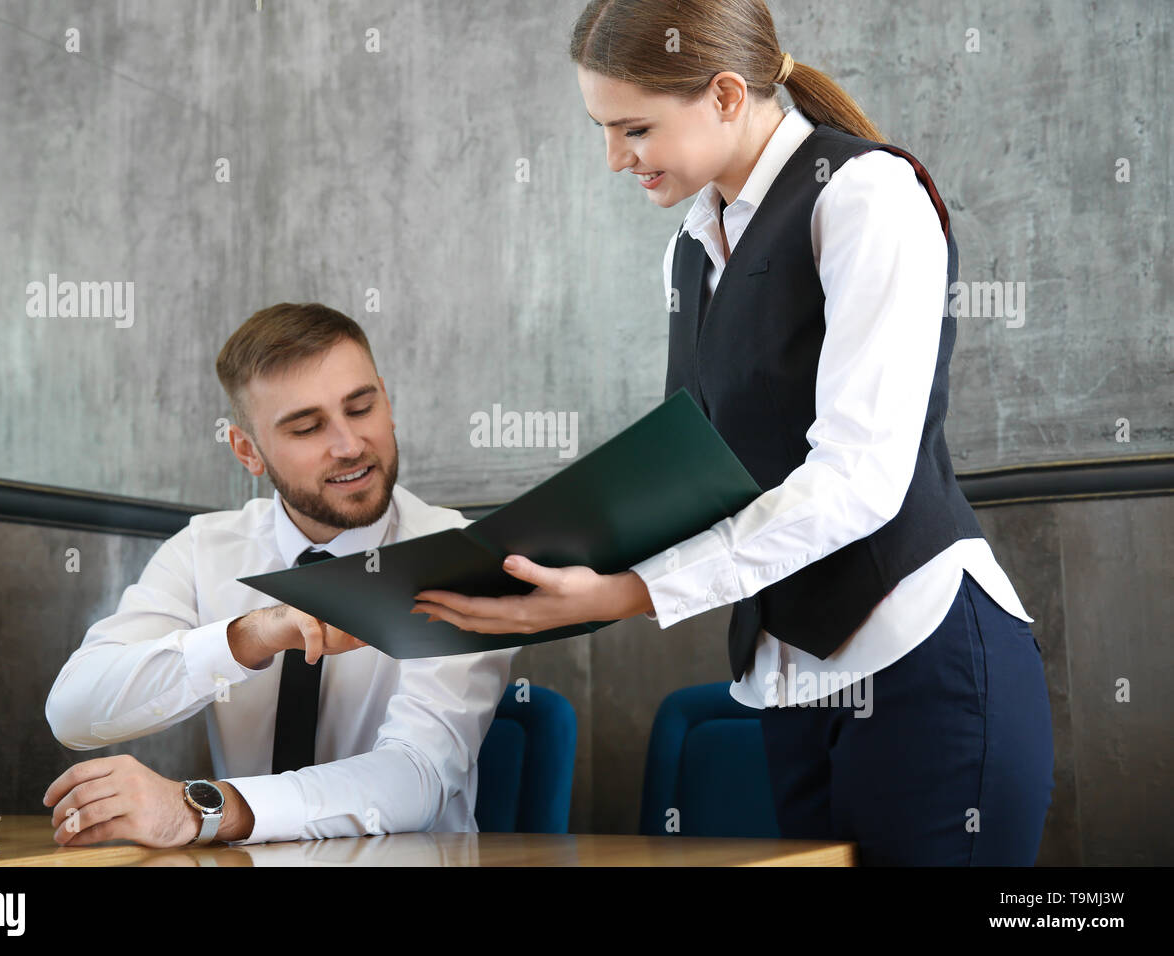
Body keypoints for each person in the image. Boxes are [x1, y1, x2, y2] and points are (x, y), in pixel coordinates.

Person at [410, 0, 1054, 866]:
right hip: (788, 683)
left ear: (722, 94)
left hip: (924, 664)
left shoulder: (866, 194)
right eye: (602, 128)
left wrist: (632, 593)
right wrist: (507, 574)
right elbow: (706, 472)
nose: (614, 158)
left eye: (634, 127)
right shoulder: (692, 244)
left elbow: (860, 477)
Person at [44, 302, 516, 848]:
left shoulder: (458, 555)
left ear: (386, 399)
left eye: (361, 408)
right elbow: (73, 712)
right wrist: (249, 636)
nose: (349, 445)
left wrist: (202, 810)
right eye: (308, 427)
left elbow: (419, 777)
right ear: (249, 452)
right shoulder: (204, 550)